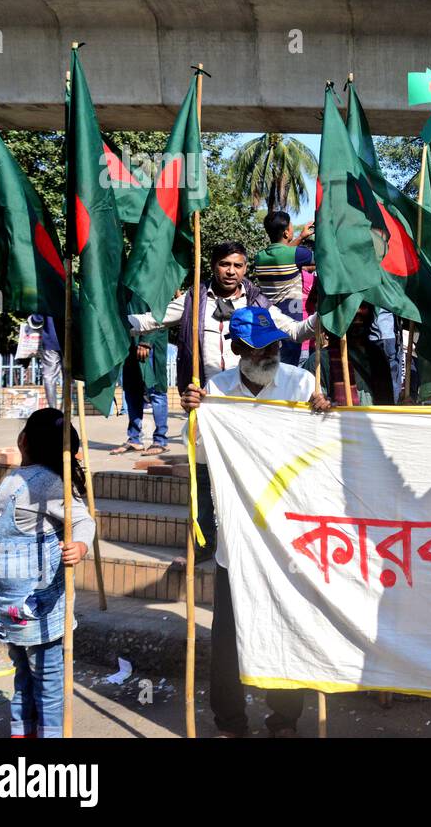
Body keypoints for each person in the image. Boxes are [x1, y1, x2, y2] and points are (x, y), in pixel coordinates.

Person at [180, 306, 331, 737]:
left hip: (289, 534)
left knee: (288, 625)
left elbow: (323, 451)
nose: (268, 354)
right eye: (257, 348)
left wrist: (325, 411)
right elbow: (203, 456)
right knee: (228, 636)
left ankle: (285, 718)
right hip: (238, 535)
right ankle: (230, 722)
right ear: (237, 349)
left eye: (274, 346)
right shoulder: (216, 391)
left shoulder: (303, 384)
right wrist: (197, 416)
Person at [0, 408, 92, 737]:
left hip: (41, 608)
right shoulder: (14, 479)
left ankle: (50, 735)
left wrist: (80, 546)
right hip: (10, 606)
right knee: (23, 673)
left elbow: (83, 520)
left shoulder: (50, 483)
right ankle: (22, 729)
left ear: (23, 440)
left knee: (49, 680)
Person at [127, 241, 317, 390]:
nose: (231, 271)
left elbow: (296, 331)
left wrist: (326, 315)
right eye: (224, 264)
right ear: (213, 265)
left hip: (246, 398)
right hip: (204, 398)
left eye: (237, 265)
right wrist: (112, 324)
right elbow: (150, 321)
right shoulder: (194, 300)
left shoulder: (257, 302)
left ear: (245, 268)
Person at [252, 212, 315, 365]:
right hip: (292, 317)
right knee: (289, 366)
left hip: (268, 317)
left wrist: (300, 237)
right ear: (287, 232)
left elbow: (282, 253)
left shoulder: (259, 256)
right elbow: (323, 258)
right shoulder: (298, 254)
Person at [112, 295, 170, 456]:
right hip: (128, 343)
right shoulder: (122, 281)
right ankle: (134, 439)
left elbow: (159, 311)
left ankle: (160, 439)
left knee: (156, 390)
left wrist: (146, 341)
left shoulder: (151, 278)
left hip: (151, 343)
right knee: (132, 391)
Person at [30, 315, 62, 410]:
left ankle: (53, 410)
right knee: (68, 378)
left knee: (49, 377)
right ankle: (65, 409)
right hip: (69, 341)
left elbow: (37, 320)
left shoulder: (45, 299)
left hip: (50, 341)